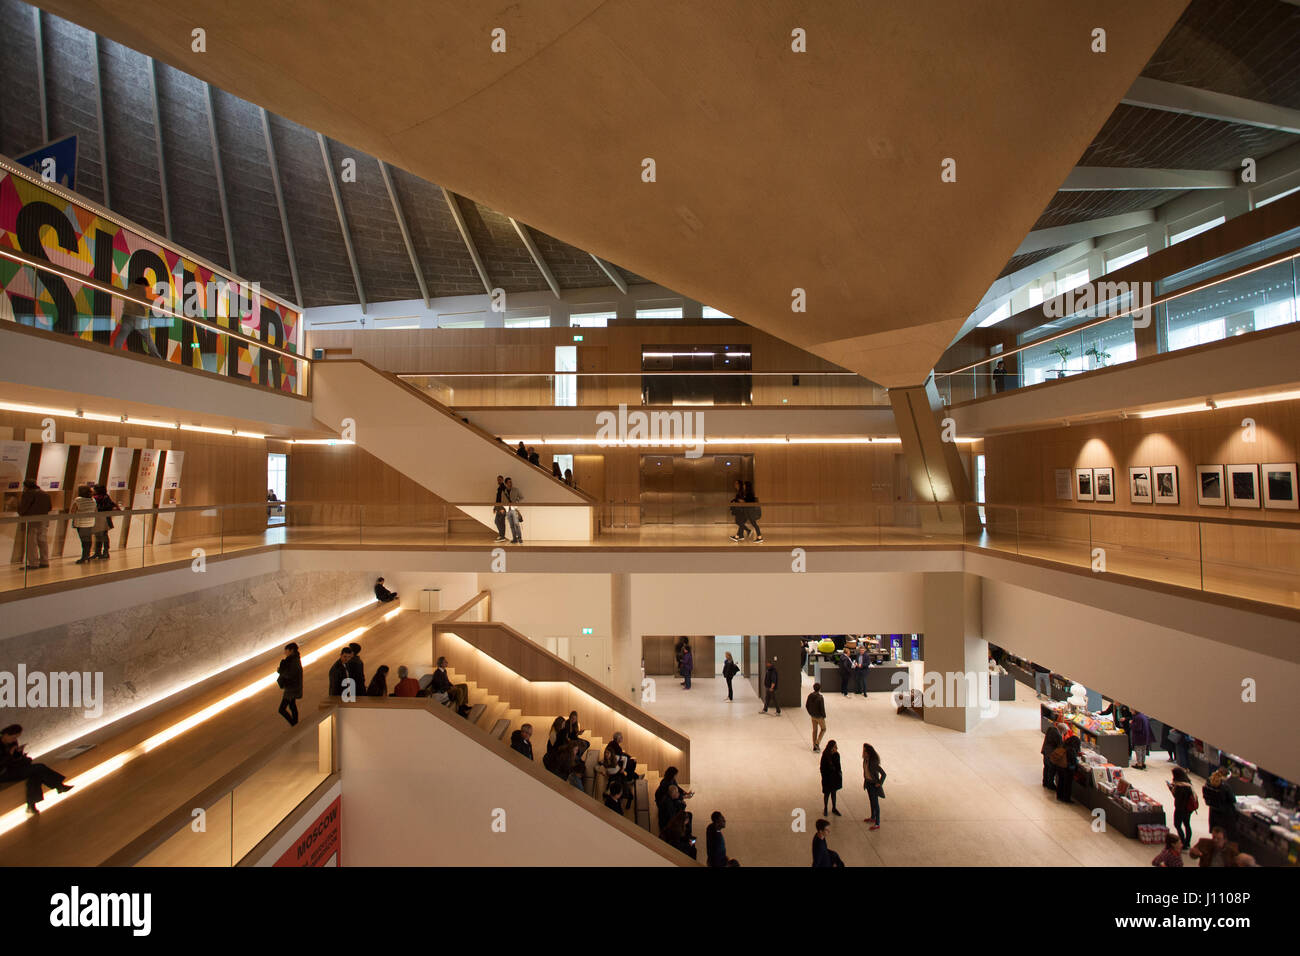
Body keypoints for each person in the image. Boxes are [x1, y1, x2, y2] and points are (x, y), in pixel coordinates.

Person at [0, 724, 73, 815]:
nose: (15, 740)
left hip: (14, 768)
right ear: (6, 735)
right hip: (3, 773)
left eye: (16, 738)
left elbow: (15, 759)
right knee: (39, 767)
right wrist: (9, 754)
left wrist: (18, 753)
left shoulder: (12, 743)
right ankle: (58, 786)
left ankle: (31, 806)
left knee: (35, 774)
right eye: (13, 737)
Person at [122, 275, 164, 358]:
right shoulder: (143, 290)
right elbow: (157, 299)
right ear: (143, 284)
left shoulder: (130, 289)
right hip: (139, 317)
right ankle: (156, 356)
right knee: (148, 338)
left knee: (122, 334)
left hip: (128, 315)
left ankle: (116, 348)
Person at [17, 479, 52, 570]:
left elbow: (23, 508)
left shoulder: (28, 494)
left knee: (31, 542)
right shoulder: (45, 494)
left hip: (32, 520)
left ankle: (33, 563)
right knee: (42, 540)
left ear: (27, 486)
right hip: (44, 519)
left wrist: (20, 512)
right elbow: (49, 507)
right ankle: (45, 561)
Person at [1168, 767, 1196, 850]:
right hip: (1189, 809)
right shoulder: (1187, 782)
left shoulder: (1180, 786)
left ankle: (1183, 842)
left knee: (1177, 825)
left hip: (1180, 809)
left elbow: (1178, 797)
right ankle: (1187, 842)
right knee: (1187, 824)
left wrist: (1171, 789)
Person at [1203, 769, 1237, 835]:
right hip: (1224, 813)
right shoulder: (1225, 787)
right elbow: (1233, 799)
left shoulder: (1208, 782)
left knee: (1215, 830)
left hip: (1213, 811)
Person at [276, 642, 303, 725]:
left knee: (281, 709)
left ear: (291, 650)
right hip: (293, 688)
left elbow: (290, 674)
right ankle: (295, 724)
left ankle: (294, 724)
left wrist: (280, 671)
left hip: (291, 689)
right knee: (292, 705)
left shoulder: (294, 661)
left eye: (286, 650)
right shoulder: (294, 659)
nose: (285, 653)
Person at [70, 484, 98, 564]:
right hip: (90, 522)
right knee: (88, 540)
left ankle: (84, 557)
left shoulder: (78, 500)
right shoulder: (92, 500)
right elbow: (95, 510)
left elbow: (72, 511)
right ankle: (87, 555)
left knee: (84, 541)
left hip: (81, 523)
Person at [862, 743, 886, 829]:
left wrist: (880, 782)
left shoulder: (873, 763)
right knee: (871, 801)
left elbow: (883, 774)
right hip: (868, 783)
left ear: (868, 752)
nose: (863, 752)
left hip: (873, 785)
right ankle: (873, 817)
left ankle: (877, 823)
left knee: (875, 803)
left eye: (864, 751)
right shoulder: (865, 760)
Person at [91, 484, 117, 560]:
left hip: (103, 519)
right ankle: (98, 552)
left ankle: (105, 551)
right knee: (99, 536)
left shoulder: (102, 498)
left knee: (103, 535)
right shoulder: (105, 497)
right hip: (101, 519)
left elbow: (107, 507)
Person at [820, 740, 843, 816]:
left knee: (833, 793)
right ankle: (825, 808)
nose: (836, 748)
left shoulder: (836, 755)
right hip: (827, 778)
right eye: (834, 747)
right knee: (827, 794)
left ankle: (834, 807)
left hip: (834, 778)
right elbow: (822, 767)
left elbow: (838, 767)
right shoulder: (826, 755)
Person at [1056, 735, 1081, 803]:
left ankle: (1059, 795)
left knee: (1061, 781)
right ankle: (1066, 798)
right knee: (1067, 784)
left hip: (1060, 766)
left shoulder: (1063, 745)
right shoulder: (1071, 749)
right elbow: (1073, 760)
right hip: (1067, 769)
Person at [1041, 719, 1063, 789]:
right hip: (1052, 754)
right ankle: (1050, 784)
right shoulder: (1058, 735)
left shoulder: (1050, 730)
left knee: (1046, 767)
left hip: (1045, 751)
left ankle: (1045, 782)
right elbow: (1060, 746)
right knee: (1051, 769)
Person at [806, 682, 827, 752]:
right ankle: (817, 743)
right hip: (819, 717)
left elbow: (807, 705)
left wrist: (810, 713)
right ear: (819, 689)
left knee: (815, 730)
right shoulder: (820, 698)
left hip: (813, 716)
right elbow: (822, 708)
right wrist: (823, 716)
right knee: (823, 729)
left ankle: (814, 745)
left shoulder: (810, 696)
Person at [503, 477, 524, 544]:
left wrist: (516, 501)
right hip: (507, 510)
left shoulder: (516, 490)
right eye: (509, 482)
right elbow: (502, 501)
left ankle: (520, 538)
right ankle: (514, 538)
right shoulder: (504, 492)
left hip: (514, 509)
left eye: (511, 482)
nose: (511, 483)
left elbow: (521, 497)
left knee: (516, 524)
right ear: (506, 483)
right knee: (511, 525)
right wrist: (504, 507)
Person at [493, 475, 508, 542]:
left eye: (499, 479)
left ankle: (502, 537)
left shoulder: (503, 488)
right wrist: (495, 507)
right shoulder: (499, 488)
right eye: (497, 480)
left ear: (502, 480)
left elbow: (505, 499)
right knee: (497, 521)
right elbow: (497, 499)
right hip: (498, 507)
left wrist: (502, 508)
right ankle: (501, 535)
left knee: (501, 522)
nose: (498, 481)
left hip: (502, 508)